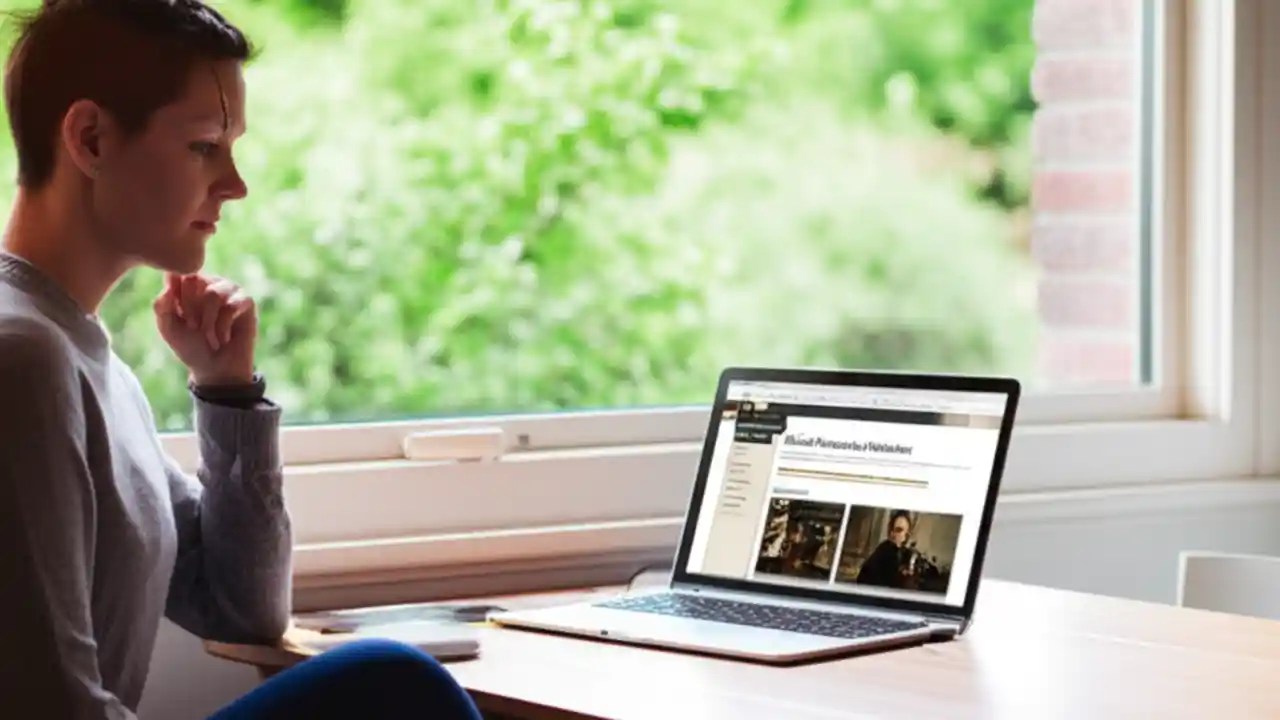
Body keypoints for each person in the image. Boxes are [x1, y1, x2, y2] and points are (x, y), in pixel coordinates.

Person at [0, 1, 480, 718]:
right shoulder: (21, 358)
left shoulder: (84, 356)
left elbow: (241, 608)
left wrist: (227, 395)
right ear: (92, 139)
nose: (234, 184)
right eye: (204, 146)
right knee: (393, 684)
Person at [855, 510, 912, 588]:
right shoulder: (884, 551)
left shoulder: (906, 553)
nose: (903, 535)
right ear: (892, 532)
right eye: (899, 530)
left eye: (906, 531)